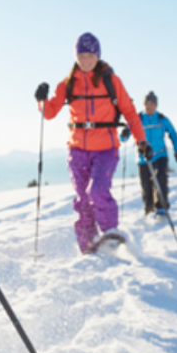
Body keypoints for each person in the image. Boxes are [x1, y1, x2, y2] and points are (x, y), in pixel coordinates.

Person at [36, 33, 146, 254]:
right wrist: (41, 100)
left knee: (96, 191)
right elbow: (49, 113)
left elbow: (130, 113)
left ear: (98, 56)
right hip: (77, 150)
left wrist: (141, 140)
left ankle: (109, 234)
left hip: (106, 148)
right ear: (76, 56)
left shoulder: (111, 81)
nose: (86, 61)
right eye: (81, 56)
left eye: (90, 56)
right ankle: (88, 247)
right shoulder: (67, 84)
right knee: (83, 200)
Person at [121, 91, 177, 216]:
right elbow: (123, 138)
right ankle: (149, 210)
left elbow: (173, 134)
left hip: (160, 155)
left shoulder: (162, 119)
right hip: (143, 158)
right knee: (146, 187)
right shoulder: (138, 119)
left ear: (155, 105)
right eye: (147, 104)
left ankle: (161, 207)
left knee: (160, 178)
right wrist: (124, 133)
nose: (149, 106)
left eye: (151, 104)